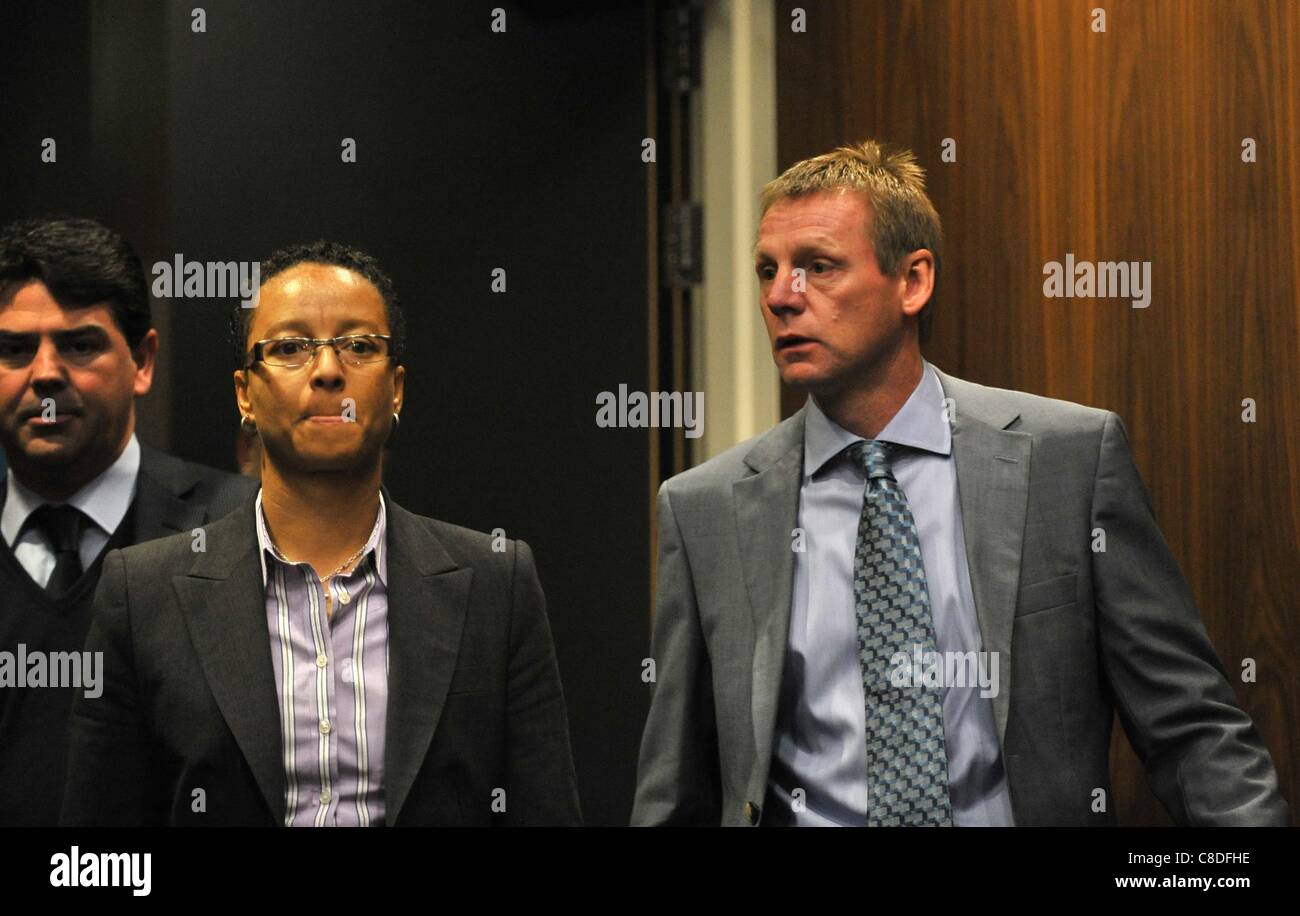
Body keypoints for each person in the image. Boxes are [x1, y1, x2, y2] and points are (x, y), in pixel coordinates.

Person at [631, 140, 1288, 827]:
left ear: (913, 280)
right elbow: (675, 791)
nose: (779, 297)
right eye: (768, 271)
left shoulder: (1068, 460)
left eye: (817, 267)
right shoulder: (704, 508)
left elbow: (1191, 728)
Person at [61, 240, 581, 826]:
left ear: (397, 388)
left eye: (360, 347)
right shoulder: (143, 592)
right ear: (244, 395)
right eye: (289, 348)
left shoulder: (495, 583)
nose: (329, 370)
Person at [0, 216, 255, 826]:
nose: (45, 374)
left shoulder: (237, 533)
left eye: (79, 344)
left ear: (142, 361)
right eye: (14, 349)